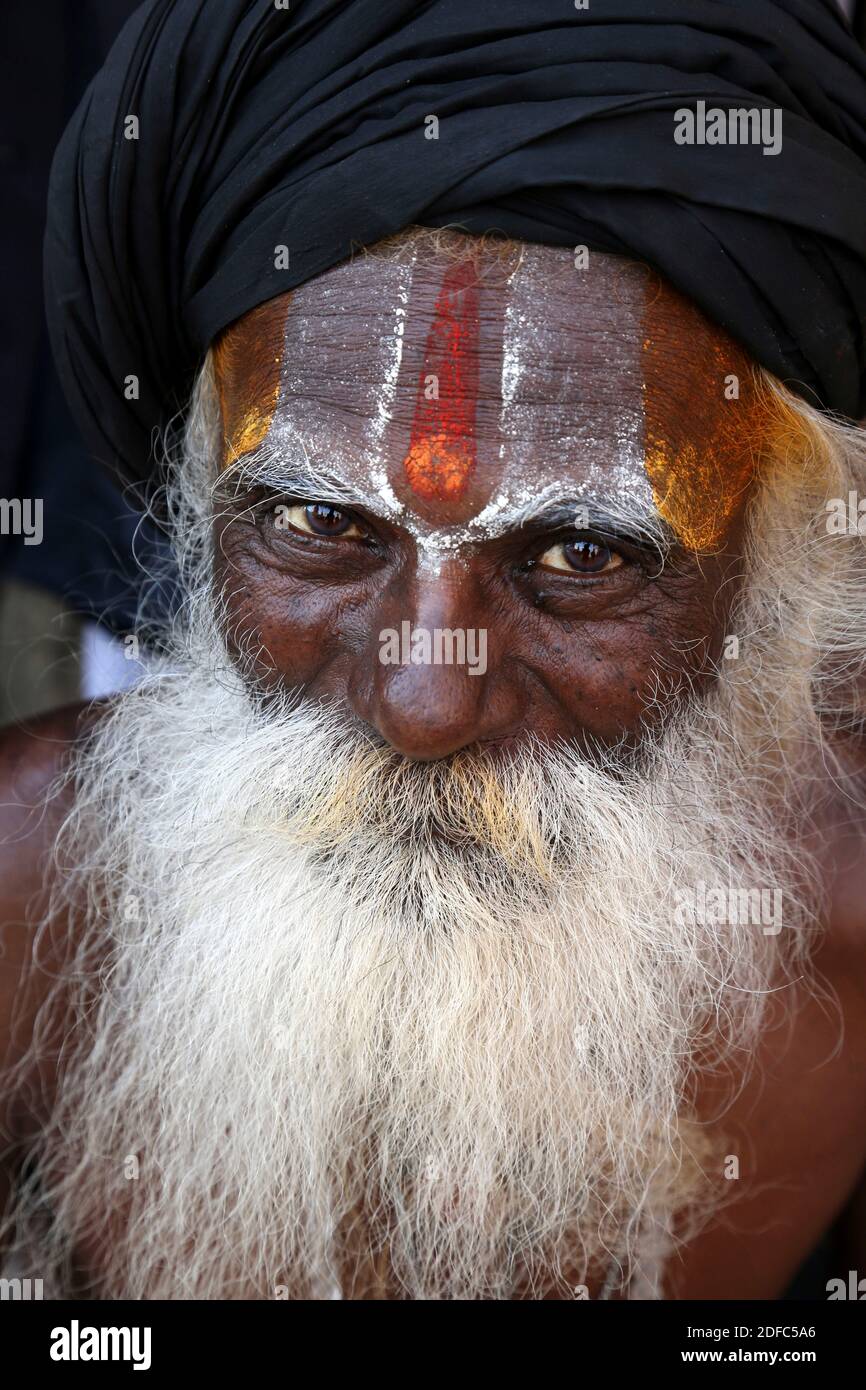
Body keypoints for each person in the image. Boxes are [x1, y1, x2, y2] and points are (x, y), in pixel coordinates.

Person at [1, 0, 866, 1300]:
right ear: (198, 506)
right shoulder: (28, 902)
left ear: (782, 566)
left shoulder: (843, 947)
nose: (423, 696)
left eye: (578, 556)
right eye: (318, 523)